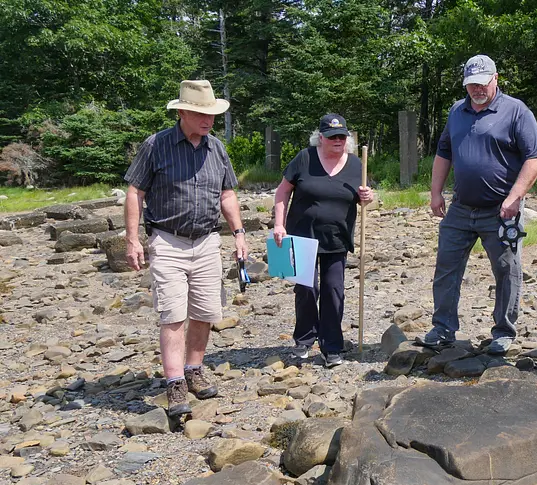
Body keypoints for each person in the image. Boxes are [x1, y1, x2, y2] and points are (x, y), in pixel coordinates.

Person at [124, 79, 248, 417]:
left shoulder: (216, 148)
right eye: (201, 114)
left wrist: (238, 233)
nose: (208, 120)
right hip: (167, 239)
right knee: (173, 314)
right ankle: (175, 382)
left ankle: (193, 370)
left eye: (212, 114)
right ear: (182, 113)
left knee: (205, 312)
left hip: (207, 240)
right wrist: (132, 239)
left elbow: (227, 194)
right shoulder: (156, 145)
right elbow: (135, 192)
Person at [417, 54, 537, 354]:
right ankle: (443, 328)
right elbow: (444, 152)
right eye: (471, 84)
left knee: (507, 270)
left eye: (482, 83)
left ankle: (504, 331)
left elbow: (535, 157)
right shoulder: (456, 111)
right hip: (461, 207)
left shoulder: (516, 111)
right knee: (446, 268)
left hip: (501, 210)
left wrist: (515, 197)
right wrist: (435, 192)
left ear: (495, 79)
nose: (477, 89)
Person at [272, 114, 374, 368]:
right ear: (320, 138)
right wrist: (278, 224)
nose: (337, 140)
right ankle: (305, 339)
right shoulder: (304, 158)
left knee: (333, 290)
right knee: (306, 289)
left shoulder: (356, 165)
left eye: (341, 136)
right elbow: (283, 192)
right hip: (301, 234)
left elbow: (364, 196)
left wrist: (367, 197)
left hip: (337, 236)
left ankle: (332, 345)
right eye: (332, 136)